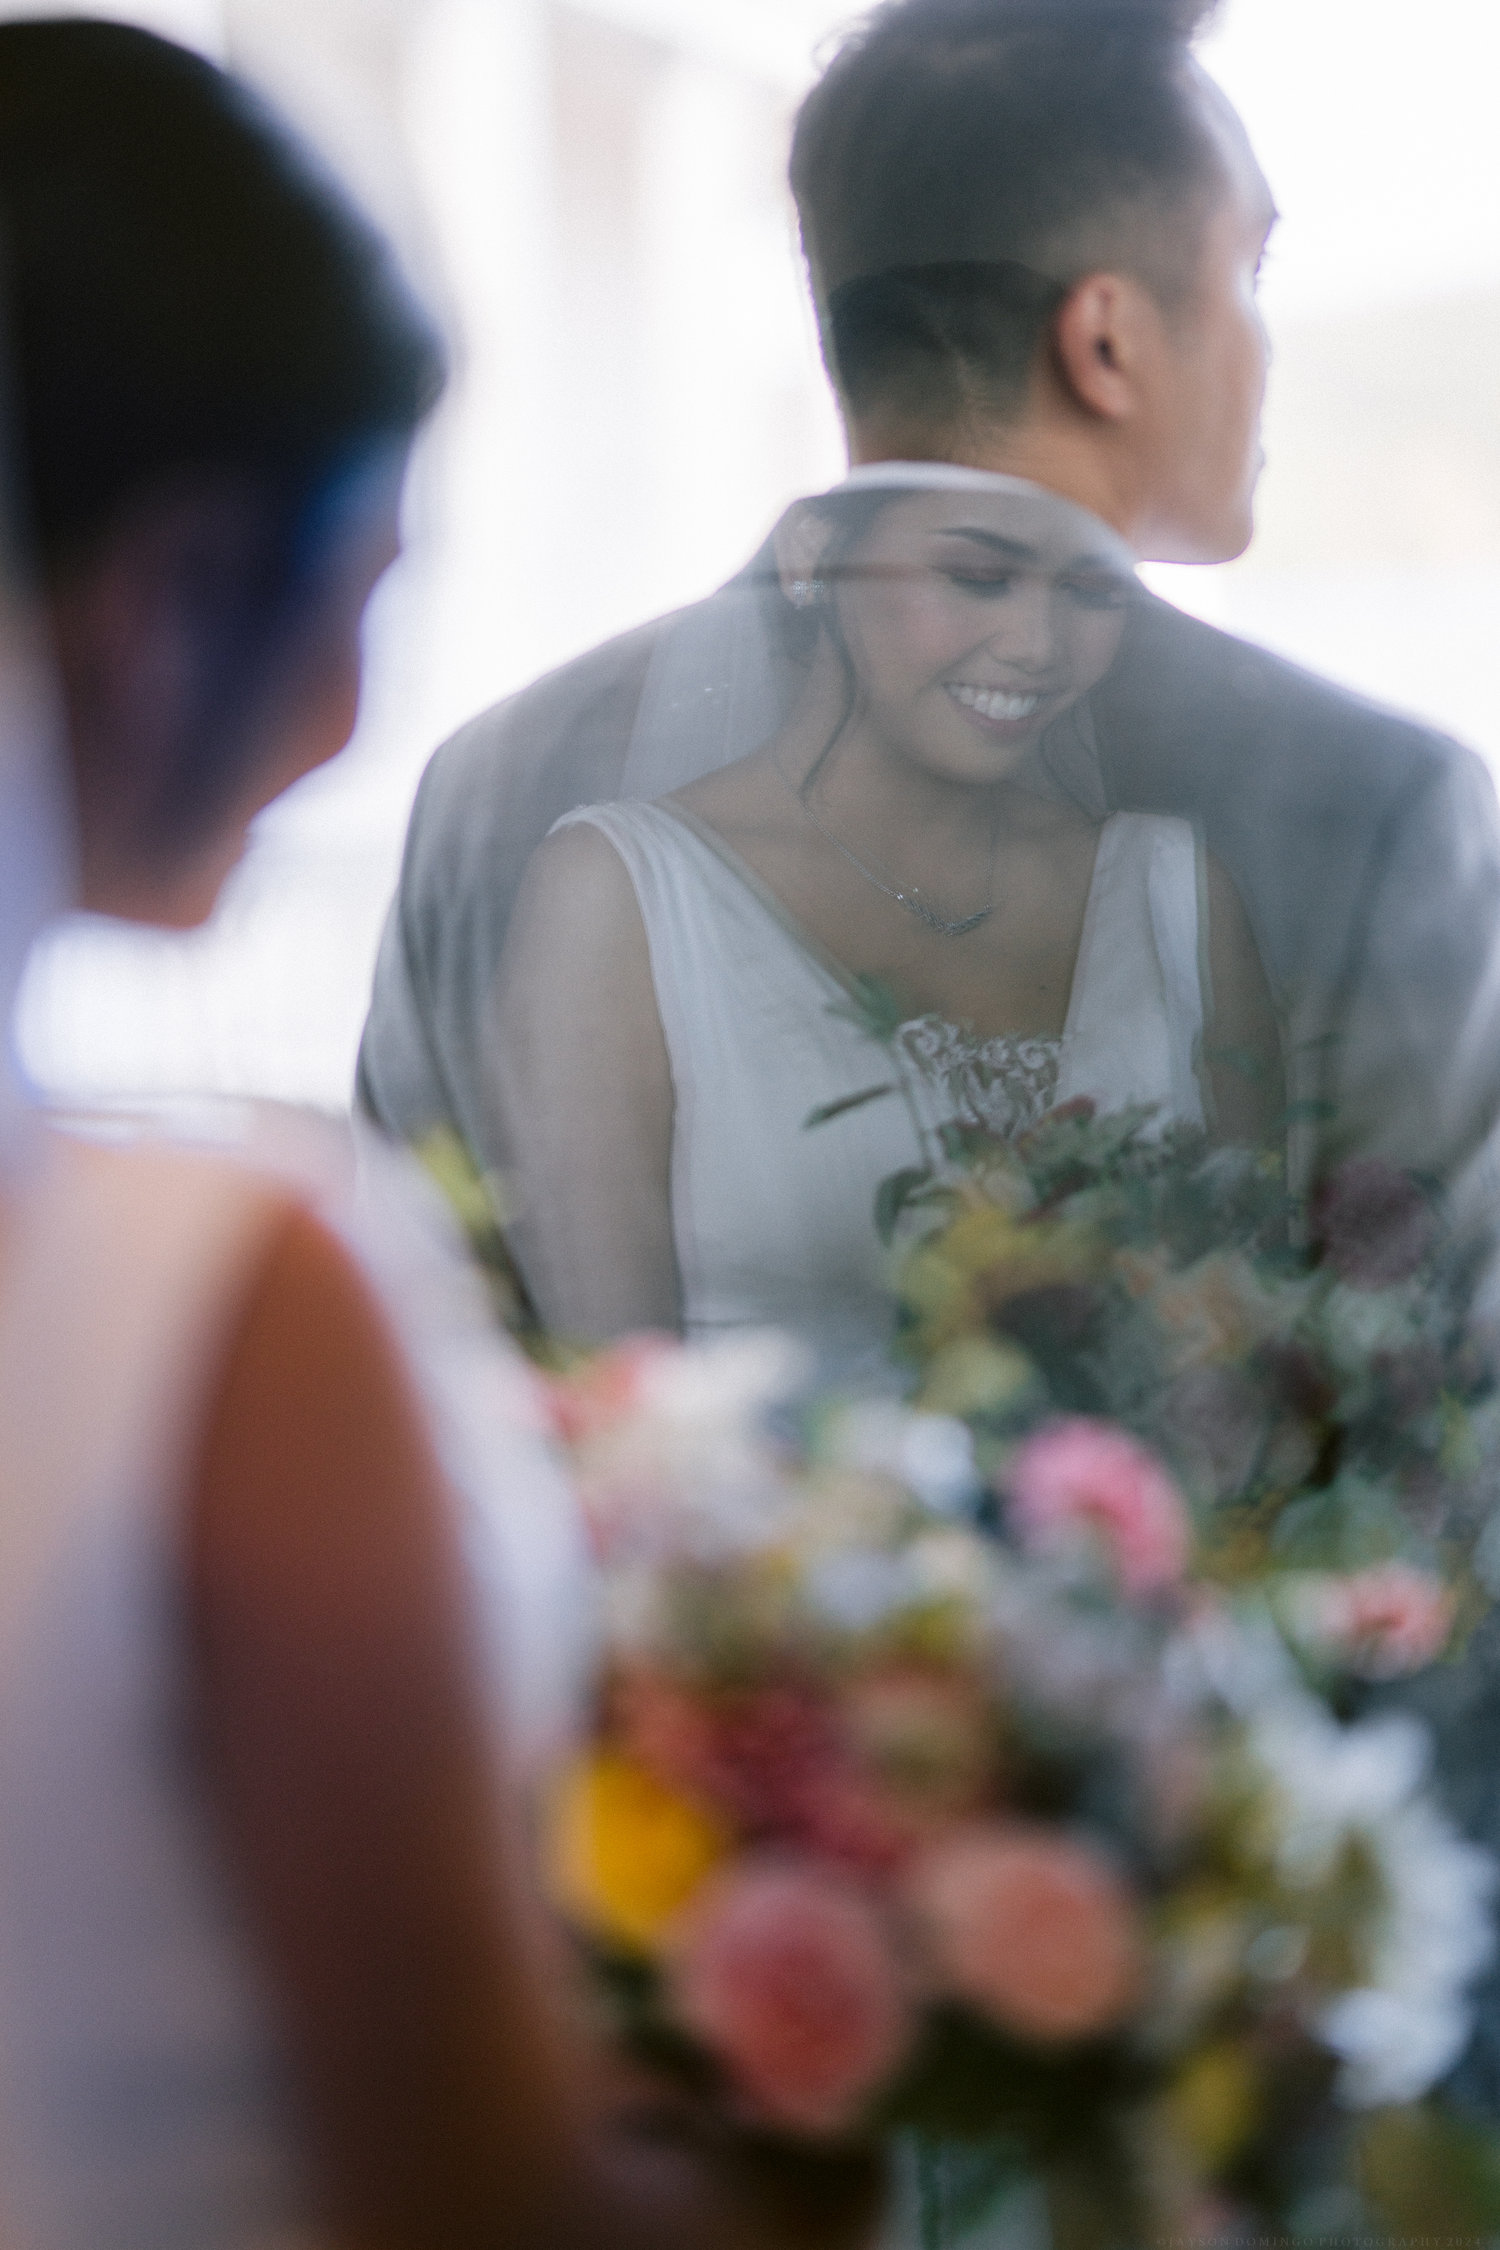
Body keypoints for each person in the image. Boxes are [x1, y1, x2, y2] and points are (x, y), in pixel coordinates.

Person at [0, 24, 879, 2250]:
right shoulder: (217, 1297)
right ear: (174, 591)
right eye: (367, 590)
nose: (346, 721)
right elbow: (484, 2201)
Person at [357, 0, 1500, 1238]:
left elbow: (406, 1319)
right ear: (1106, 340)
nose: (1266, 346)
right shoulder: (1381, 806)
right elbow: (1446, 1342)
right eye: (1252, 274)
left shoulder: (484, 791)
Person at [491, 471, 1282, 1363]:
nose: (1037, 647)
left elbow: (1261, 1345)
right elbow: (608, 1398)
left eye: (1094, 589)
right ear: (813, 557)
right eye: (978, 576)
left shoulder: (1177, 896)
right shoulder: (618, 894)